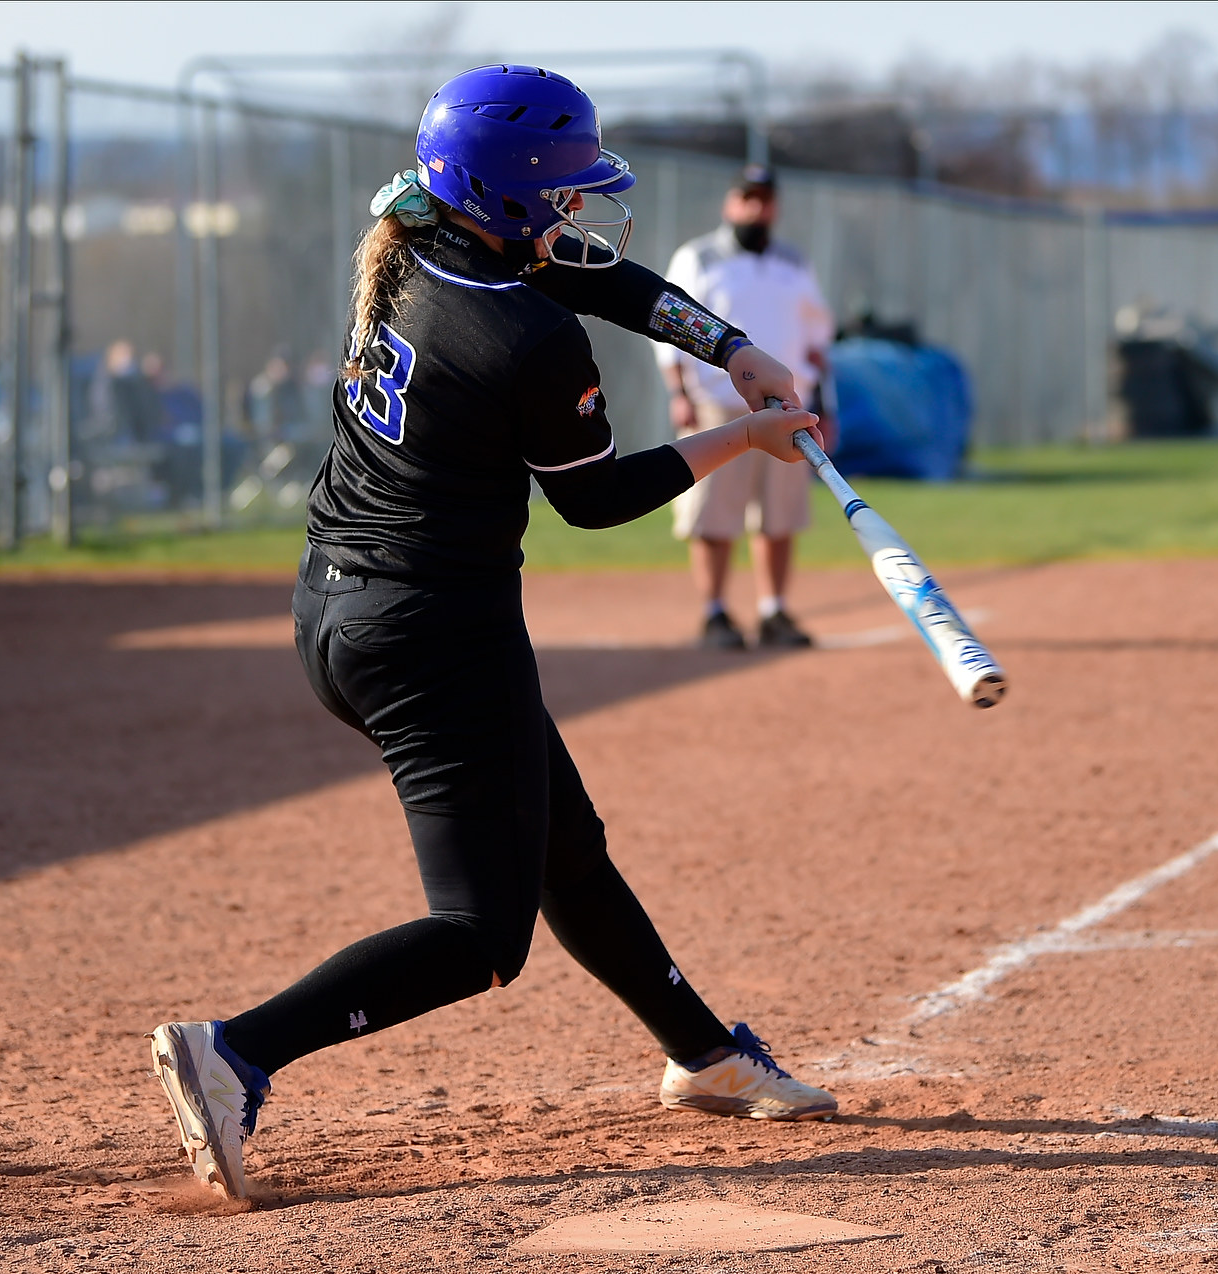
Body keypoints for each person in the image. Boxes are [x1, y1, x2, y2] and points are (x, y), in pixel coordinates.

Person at [147, 65, 838, 1202]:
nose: (575, 207)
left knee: (563, 841)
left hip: (335, 607)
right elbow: (594, 500)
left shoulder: (415, 231)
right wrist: (741, 433)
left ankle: (704, 1053)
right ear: (507, 194)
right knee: (480, 933)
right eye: (559, 189)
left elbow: (591, 274)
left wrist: (729, 348)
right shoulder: (524, 336)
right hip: (434, 639)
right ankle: (235, 1052)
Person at [657, 166, 834, 649]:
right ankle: (714, 612)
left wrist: (824, 403)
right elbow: (670, 331)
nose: (756, 208)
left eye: (765, 199)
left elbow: (817, 341)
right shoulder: (699, 257)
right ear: (730, 203)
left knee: (780, 515)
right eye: (747, 198)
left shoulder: (793, 263)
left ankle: (773, 610)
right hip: (718, 404)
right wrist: (679, 392)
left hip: (787, 406)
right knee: (714, 514)